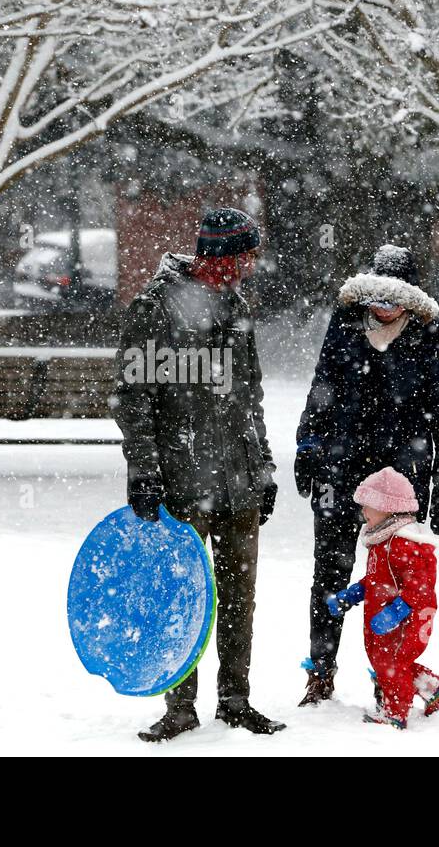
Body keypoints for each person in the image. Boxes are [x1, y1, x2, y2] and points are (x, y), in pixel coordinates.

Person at [113, 207, 285, 742]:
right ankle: (179, 706)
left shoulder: (237, 304)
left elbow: (250, 396)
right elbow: (132, 399)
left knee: (240, 595)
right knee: (181, 597)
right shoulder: (154, 309)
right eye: (247, 257)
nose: (252, 267)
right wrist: (144, 470)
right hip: (182, 481)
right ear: (222, 257)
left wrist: (264, 466)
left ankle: (236, 700)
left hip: (239, 481)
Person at [295, 245, 439, 705]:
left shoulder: (434, 335)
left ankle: (388, 677)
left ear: (410, 299)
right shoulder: (346, 325)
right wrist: (307, 442)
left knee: (392, 584)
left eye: (394, 300)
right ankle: (320, 671)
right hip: (339, 464)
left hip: (400, 479)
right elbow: (322, 385)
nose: (383, 307)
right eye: (377, 298)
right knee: (328, 573)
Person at [328, 467, 439, 727]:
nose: (363, 513)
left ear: (387, 508)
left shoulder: (403, 543)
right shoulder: (381, 542)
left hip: (406, 620)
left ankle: (395, 713)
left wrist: (398, 611)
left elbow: (421, 585)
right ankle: (433, 688)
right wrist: (352, 595)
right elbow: (377, 580)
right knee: (388, 660)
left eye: (368, 507)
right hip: (383, 617)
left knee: (390, 663)